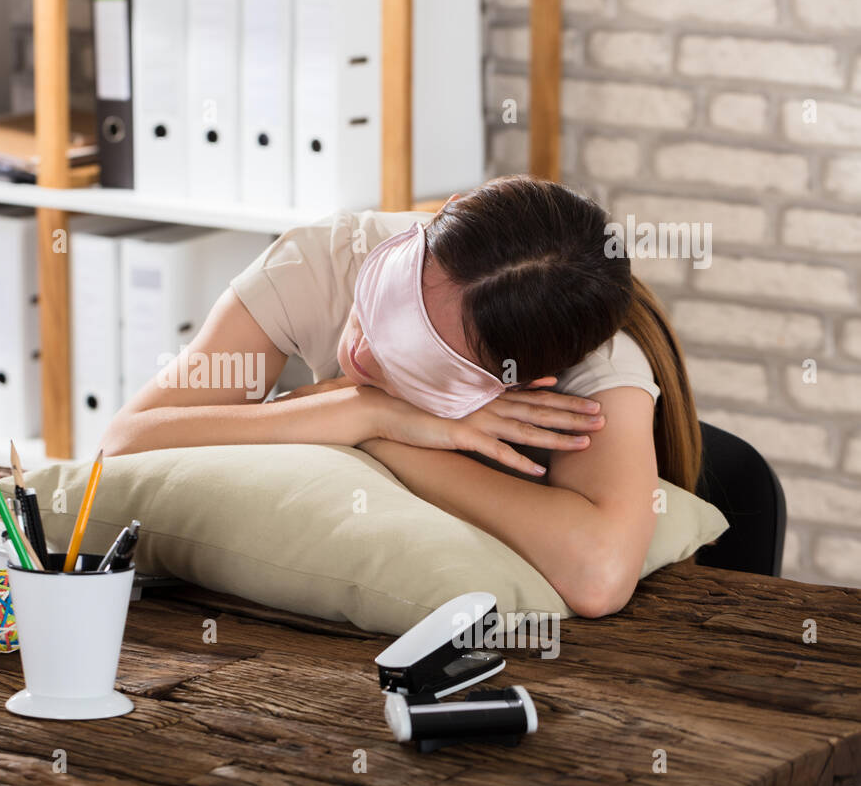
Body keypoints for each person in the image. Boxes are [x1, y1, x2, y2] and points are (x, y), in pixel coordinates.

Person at [100, 176, 701, 617]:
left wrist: (387, 440)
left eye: (420, 359)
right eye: (388, 294)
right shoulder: (325, 259)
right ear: (444, 215)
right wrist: (367, 408)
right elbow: (125, 445)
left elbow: (597, 575)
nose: (364, 352)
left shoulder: (600, 366)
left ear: (519, 383)